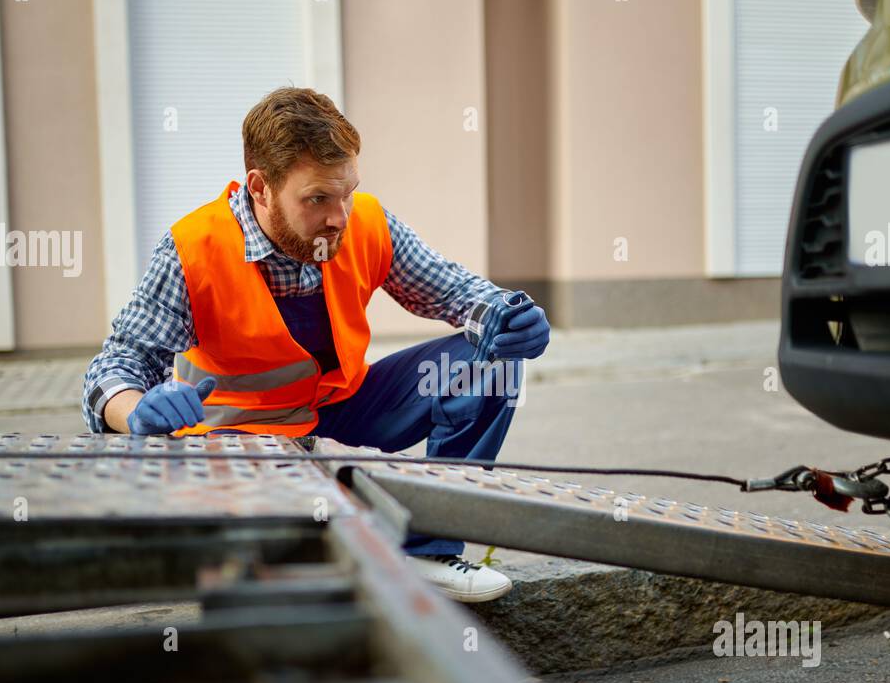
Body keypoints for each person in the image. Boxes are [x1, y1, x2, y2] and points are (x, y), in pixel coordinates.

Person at [82, 87, 550, 602]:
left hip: (340, 404)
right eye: (317, 199)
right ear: (261, 189)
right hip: (239, 435)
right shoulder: (194, 249)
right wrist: (135, 412)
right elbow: (117, 365)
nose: (340, 216)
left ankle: (428, 552)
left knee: (488, 362)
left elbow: (459, 292)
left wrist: (507, 317)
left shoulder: (364, 223)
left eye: (347, 191)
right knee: (277, 579)